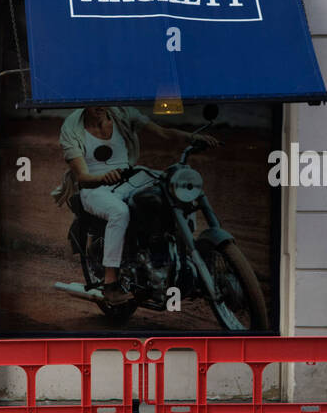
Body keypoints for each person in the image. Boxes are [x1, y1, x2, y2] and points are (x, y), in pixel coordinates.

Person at [58, 105, 218, 305]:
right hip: (95, 187)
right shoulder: (72, 126)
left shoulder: (122, 114)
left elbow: (162, 132)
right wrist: (103, 176)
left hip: (129, 176)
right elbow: (82, 176)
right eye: (92, 99)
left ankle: (182, 250)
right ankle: (110, 284)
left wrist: (192, 137)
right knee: (120, 212)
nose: (99, 104)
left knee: (179, 185)